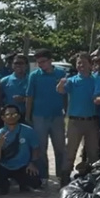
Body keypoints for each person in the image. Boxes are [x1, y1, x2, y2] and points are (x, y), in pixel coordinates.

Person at [25, 48, 67, 183]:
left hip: (57, 116)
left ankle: (61, 175)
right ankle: (43, 176)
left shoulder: (61, 73)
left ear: (50, 60)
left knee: (60, 147)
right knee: (41, 148)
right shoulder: (34, 76)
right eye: (38, 62)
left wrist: (66, 112)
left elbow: (66, 95)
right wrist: (28, 115)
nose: (41, 64)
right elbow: (29, 96)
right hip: (39, 116)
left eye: (43, 61)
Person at [58, 53, 100, 181]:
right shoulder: (72, 80)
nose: (81, 65)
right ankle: (65, 178)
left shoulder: (96, 80)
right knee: (70, 152)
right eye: (78, 63)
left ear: (90, 65)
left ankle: (93, 179)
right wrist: (61, 84)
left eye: (84, 63)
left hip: (92, 121)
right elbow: (60, 90)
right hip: (75, 121)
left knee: (93, 153)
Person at [0, 105, 43, 194]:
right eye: (8, 115)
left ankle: (23, 184)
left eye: (14, 114)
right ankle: (6, 184)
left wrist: (32, 163)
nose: (11, 117)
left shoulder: (28, 131)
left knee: (35, 181)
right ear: (3, 117)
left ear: (18, 116)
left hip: (23, 166)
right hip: (4, 166)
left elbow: (36, 149)